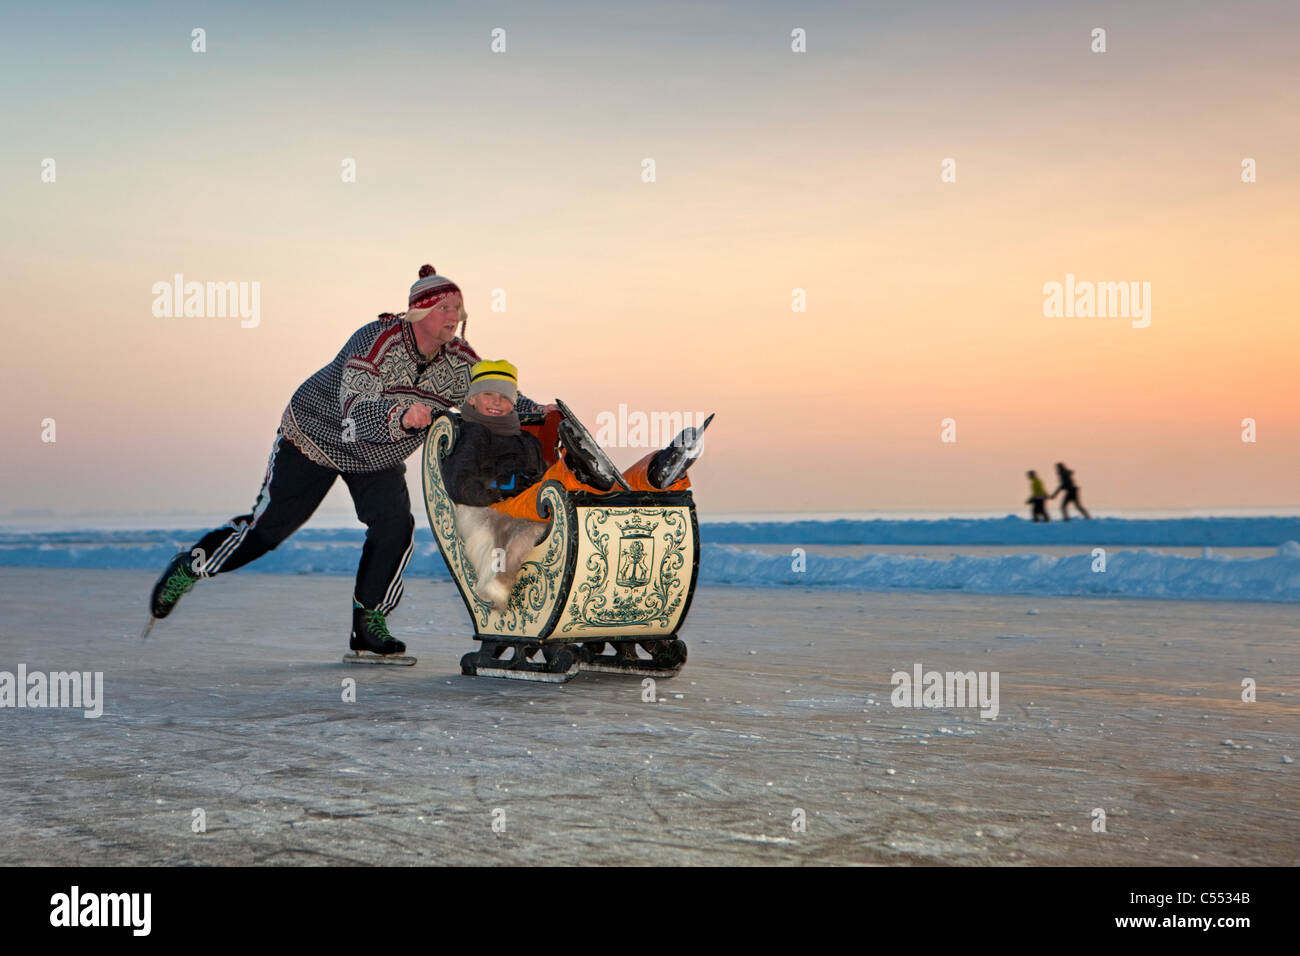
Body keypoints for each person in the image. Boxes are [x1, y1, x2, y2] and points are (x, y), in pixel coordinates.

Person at [146, 265, 556, 656]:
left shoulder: (459, 359)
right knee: (268, 531)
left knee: (395, 524)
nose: (455, 316)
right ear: (419, 313)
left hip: (376, 457)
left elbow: (491, 395)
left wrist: (538, 411)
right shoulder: (375, 342)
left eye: (458, 308)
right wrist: (400, 415)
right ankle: (192, 566)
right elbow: (355, 412)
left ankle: (368, 623)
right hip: (315, 437)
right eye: (444, 308)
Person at [440, 359, 707, 609]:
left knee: (614, 489)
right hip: (503, 505)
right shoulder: (472, 434)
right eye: (489, 394)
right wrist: (498, 489)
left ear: (513, 403)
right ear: (472, 399)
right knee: (561, 481)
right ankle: (583, 469)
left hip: (536, 495)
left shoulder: (525, 439)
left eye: (504, 397)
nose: (497, 402)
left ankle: (656, 473)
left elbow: (539, 473)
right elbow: (459, 483)